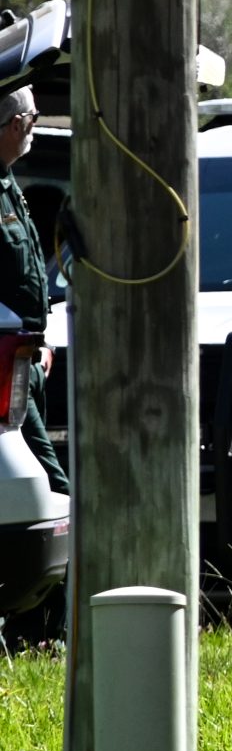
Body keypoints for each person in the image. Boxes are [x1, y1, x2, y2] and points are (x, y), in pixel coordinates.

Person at [0, 86, 65, 494]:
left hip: (28, 359)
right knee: (53, 484)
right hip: (7, 364)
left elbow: (26, 275)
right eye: (33, 119)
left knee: (35, 488)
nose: (34, 127)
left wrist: (43, 342)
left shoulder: (8, 185)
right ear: (15, 124)